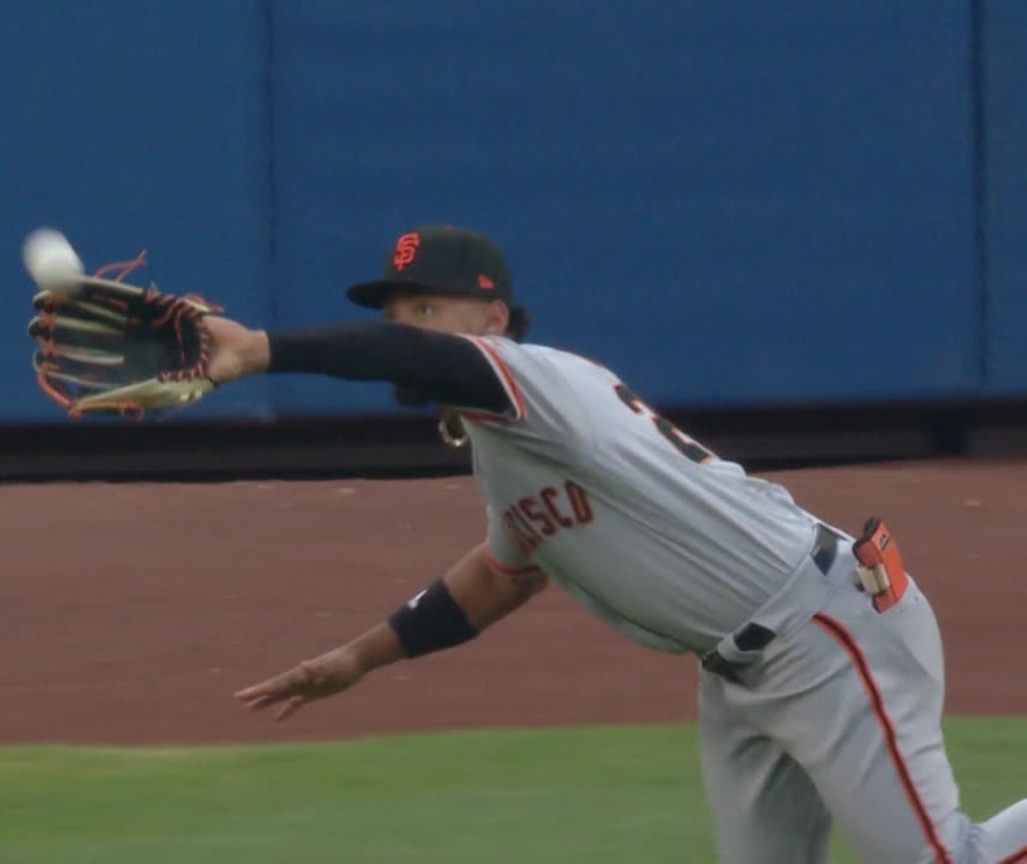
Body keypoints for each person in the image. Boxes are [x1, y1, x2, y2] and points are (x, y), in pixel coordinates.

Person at [200, 224, 1027, 864]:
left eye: (424, 307)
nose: (402, 327)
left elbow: (409, 358)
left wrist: (261, 351)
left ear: (490, 322)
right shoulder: (505, 446)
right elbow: (500, 575)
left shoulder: (536, 382)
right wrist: (358, 658)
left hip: (827, 631)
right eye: (395, 312)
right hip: (742, 669)